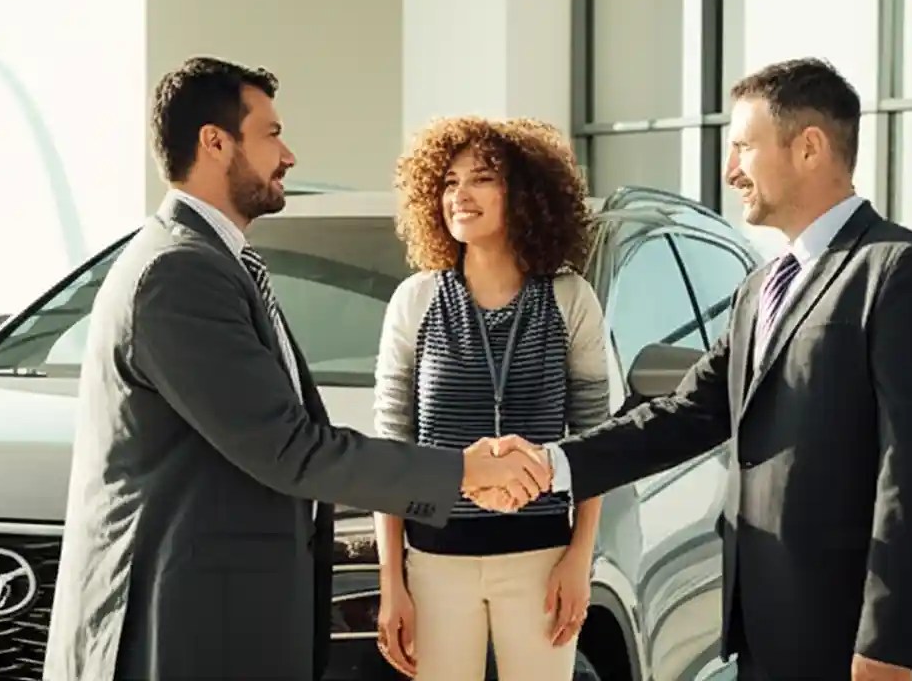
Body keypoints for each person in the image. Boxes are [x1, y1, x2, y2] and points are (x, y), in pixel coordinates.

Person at [41, 57, 551, 681]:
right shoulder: (180, 273)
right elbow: (288, 447)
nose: (289, 155)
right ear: (215, 142)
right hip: (181, 633)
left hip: (220, 624)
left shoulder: (213, 262)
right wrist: (465, 471)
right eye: (272, 133)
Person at [477, 57, 912, 681]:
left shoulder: (902, 274)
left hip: (851, 645)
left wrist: (889, 645)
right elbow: (684, 415)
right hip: (763, 634)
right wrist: (551, 464)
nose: (729, 169)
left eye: (743, 146)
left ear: (809, 147)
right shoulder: (760, 289)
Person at [371, 117, 611, 681]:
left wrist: (580, 559)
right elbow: (390, 446)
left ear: (525, 194)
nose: (460, 195)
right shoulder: (416, 300)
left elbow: (597, 438)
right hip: (434, 562)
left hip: (540, 560)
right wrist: (392, 581)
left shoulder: (569, 298)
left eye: (481, 179)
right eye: (450, 182)